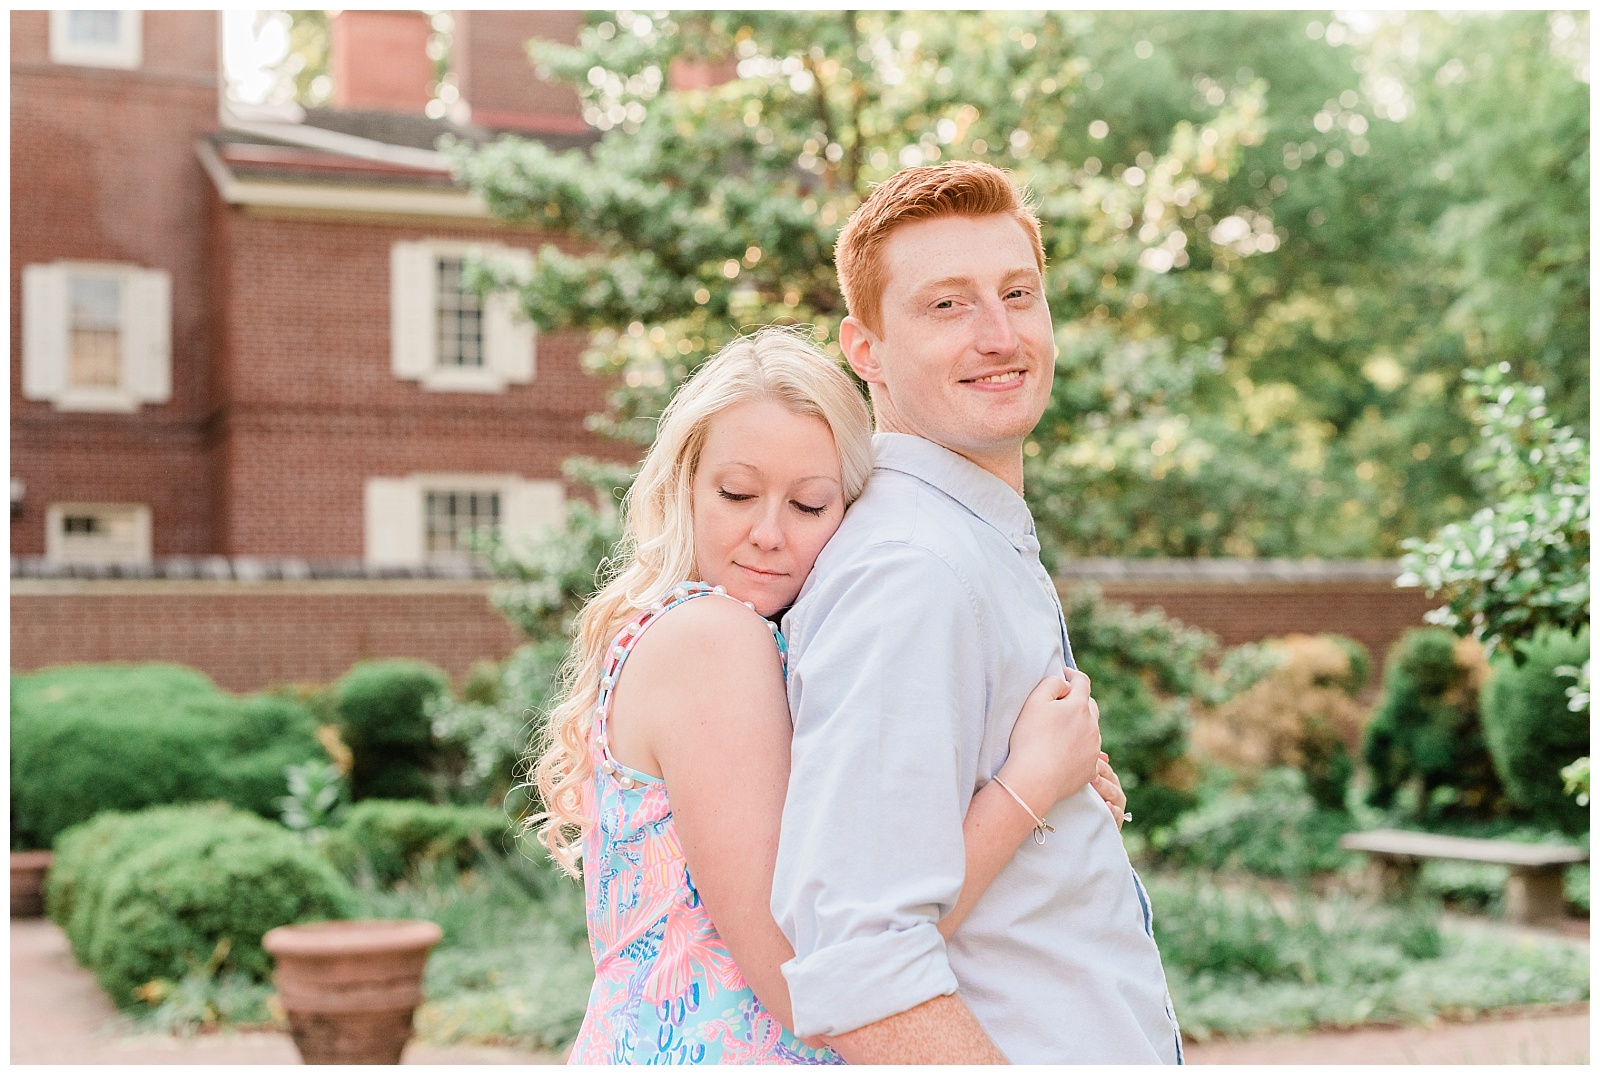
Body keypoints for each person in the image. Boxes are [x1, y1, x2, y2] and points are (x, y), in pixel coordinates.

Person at [528, 327, 1128, 1064]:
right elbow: (810, 982)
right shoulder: (714, 640)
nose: (769, 533)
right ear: (683, 482)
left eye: (810, 505)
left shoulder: (732, 639)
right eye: (737, 493)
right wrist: (1025, 787)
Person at [772, 161, 1184, 1064]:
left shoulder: (968, 543)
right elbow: (862, 968)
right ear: (866, 349)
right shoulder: (913, 572)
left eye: (1018, 293)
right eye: (947, 306)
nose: (999, 334)